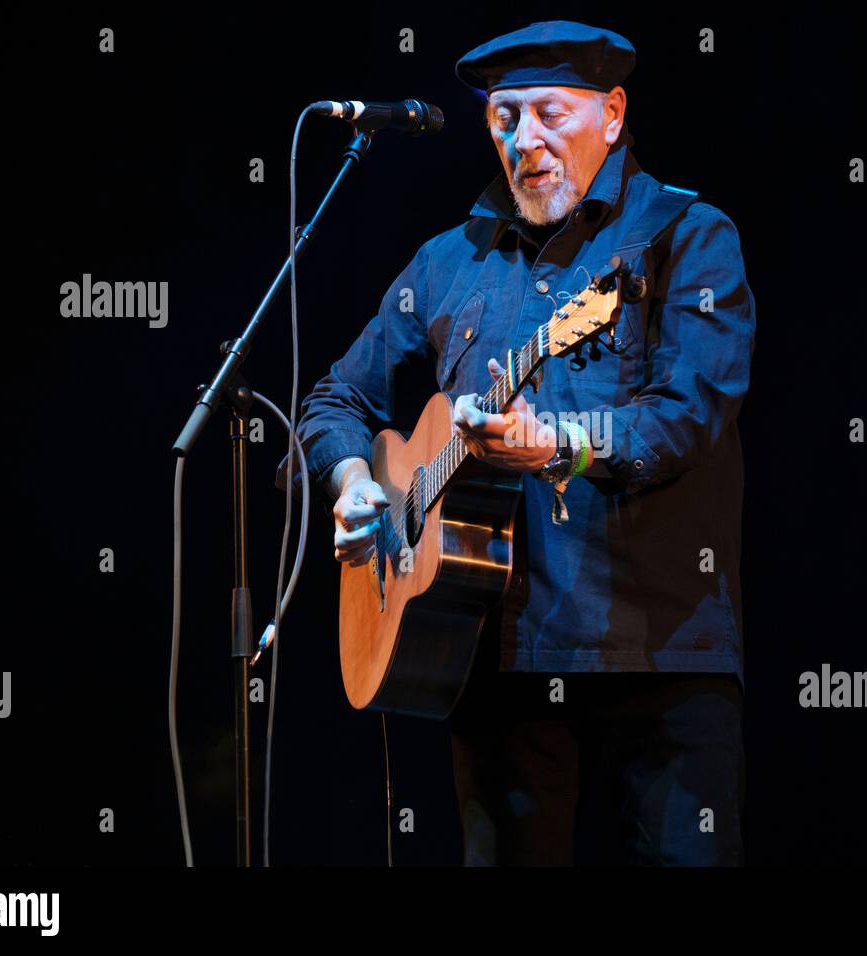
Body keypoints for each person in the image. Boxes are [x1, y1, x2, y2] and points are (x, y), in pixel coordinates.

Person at [277, 20, 756, 865]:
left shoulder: (687, 236)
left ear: (611, 114)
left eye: (548, 114)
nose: (524, 142)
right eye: (504, 118)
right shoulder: (448, 262)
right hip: (493, 661)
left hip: (660, 655)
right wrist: (354, 481)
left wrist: (561, 444)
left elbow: (689, 417)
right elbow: (333, 397)